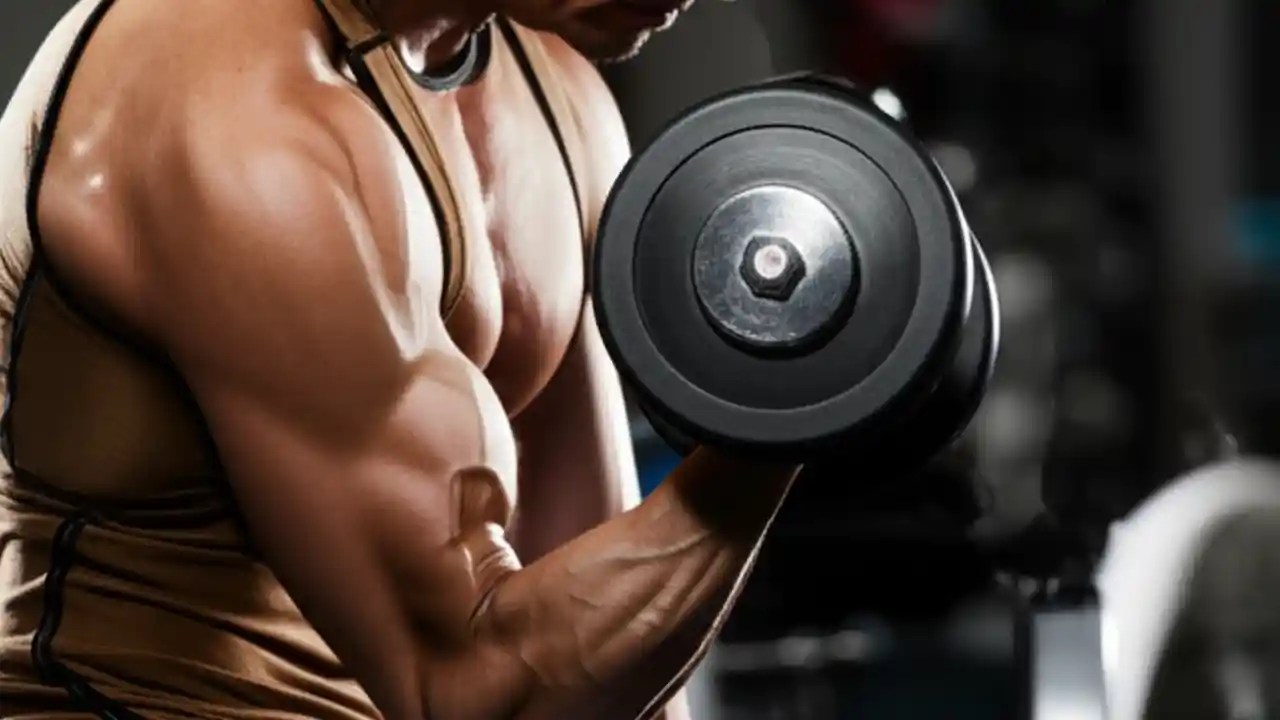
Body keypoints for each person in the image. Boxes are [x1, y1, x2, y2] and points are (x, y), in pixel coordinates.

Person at [0, 0, 801, 718]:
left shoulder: (553, 89)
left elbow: (609, 640)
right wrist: (786, 412)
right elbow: (468, 691)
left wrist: (782, 409)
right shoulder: (234, 110)